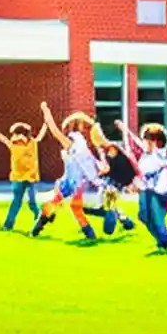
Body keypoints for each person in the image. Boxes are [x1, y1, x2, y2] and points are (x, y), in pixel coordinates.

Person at [31, 102, 106, 241]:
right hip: (71, 182)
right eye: (82, 124)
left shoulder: (80, 142)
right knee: (60, 204)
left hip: (77, 181)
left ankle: (89, 234)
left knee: (72, 206)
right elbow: (55, 131)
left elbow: (87, 161)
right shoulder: (72, 142)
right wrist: (46, 112)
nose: (84, 127)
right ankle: (40, 224)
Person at [0, 115, 48, 232]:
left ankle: (38, 220)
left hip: (29, 178)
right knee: (19, 202)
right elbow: (1, 138)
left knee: (30, 202)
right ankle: (9, 225)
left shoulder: (32, 143)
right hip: (19, 178)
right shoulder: (16, 144)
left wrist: (46, 124)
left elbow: (40, 136)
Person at [133, 122, 167, 253]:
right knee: (144, 216)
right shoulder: (147, 154)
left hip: (157, 192)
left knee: (157, 218)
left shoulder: (159, 154)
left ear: (155, 142)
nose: (143, 142)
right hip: (145, 190)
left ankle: (166, 241)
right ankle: (163, 240)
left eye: (146, 139)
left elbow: (157, 169)